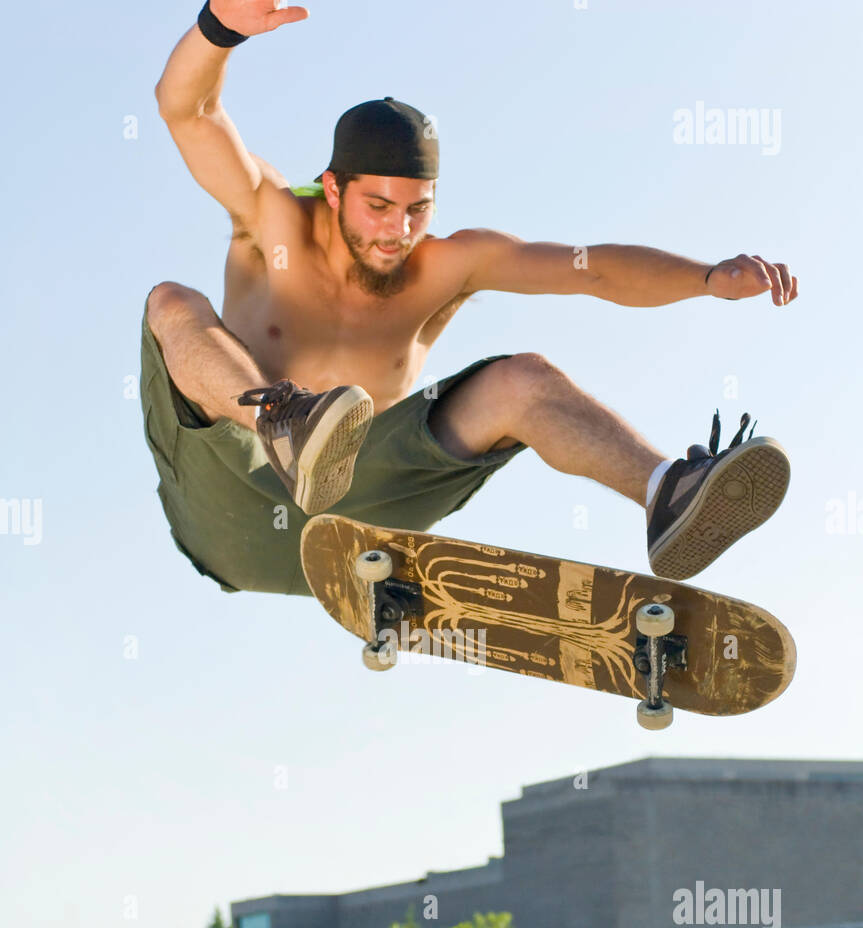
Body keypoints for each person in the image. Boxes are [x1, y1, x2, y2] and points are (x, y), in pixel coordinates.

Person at [142, 0, 799, 601]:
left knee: (525, 381)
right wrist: (217, 29)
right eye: (377, 208)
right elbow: (188, 111)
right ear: (334, 190)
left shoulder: (448, 264)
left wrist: (706, 277)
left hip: (365, 507)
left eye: (416, 210)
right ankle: (284, 422)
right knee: (170, 301)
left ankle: (667, 495)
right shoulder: (271, 218)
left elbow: (590, 270)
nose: (397, 232)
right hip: (230, 499)